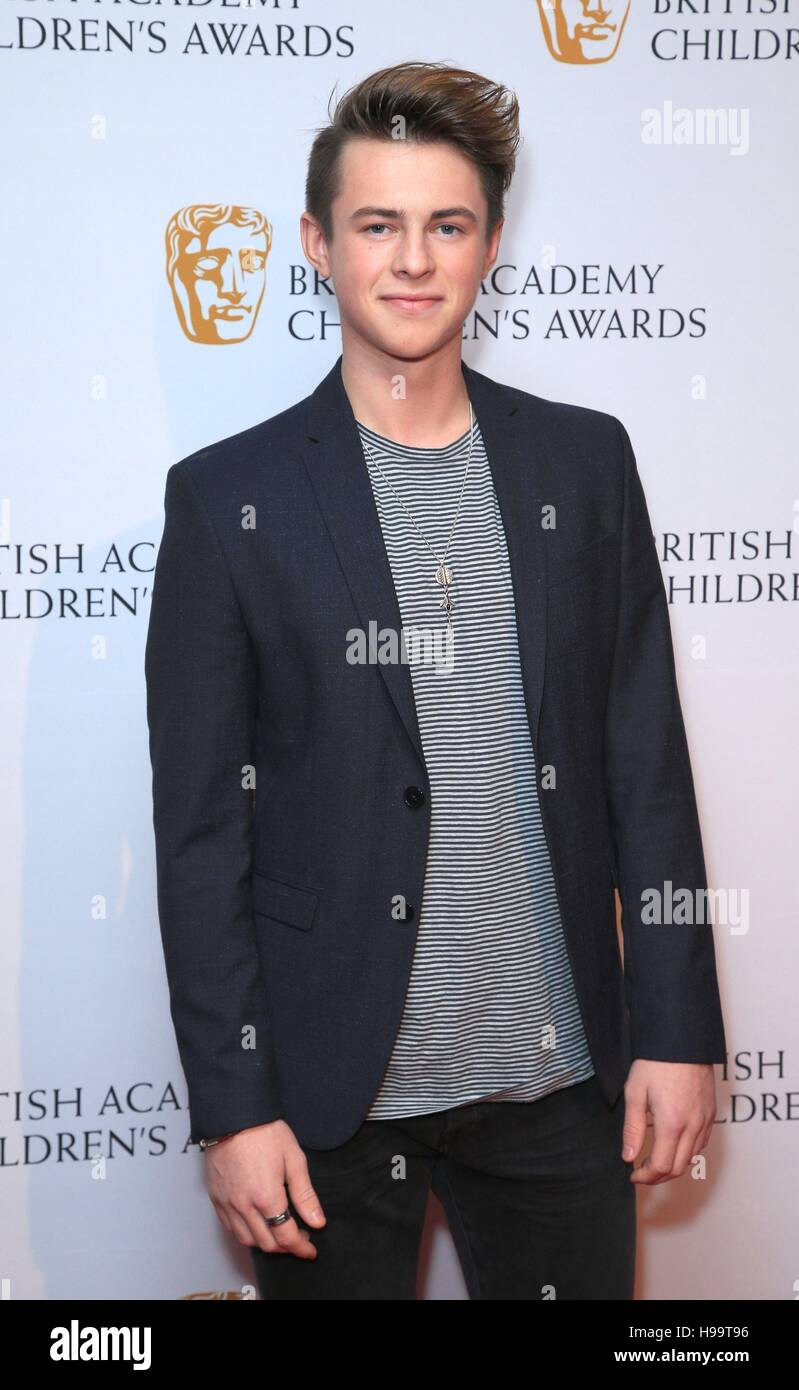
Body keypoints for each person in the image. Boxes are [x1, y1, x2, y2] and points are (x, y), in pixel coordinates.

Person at [144, 61, 727, 1300]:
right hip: (323, 1106)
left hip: (556, 1085)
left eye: (446, 224)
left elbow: (646, 766)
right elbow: (200, 836)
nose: (413, 259)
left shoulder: (585, 460)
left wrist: (677, 1029)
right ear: (316, 243)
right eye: (377, 224)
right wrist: (231, 1108)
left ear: (491, 245)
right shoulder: (226, 499)